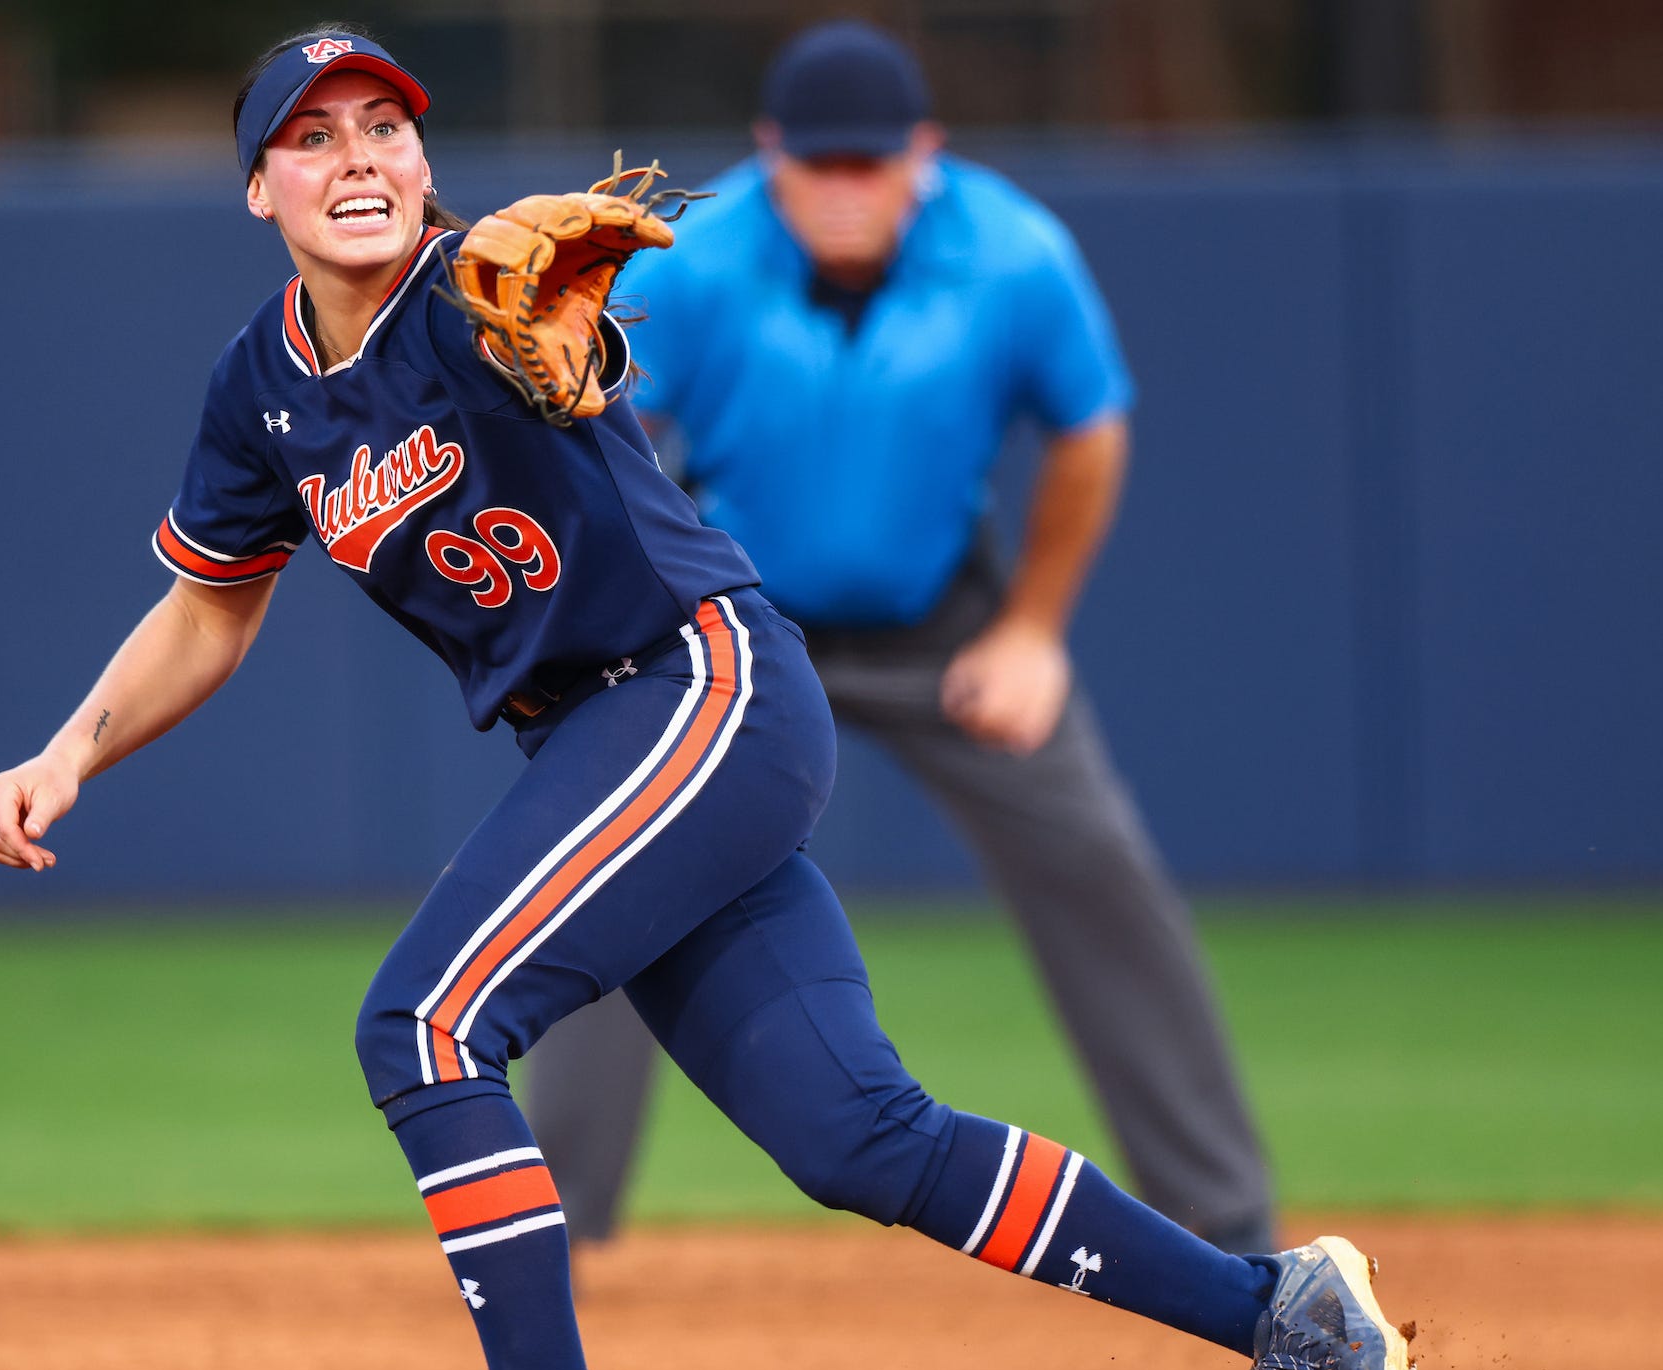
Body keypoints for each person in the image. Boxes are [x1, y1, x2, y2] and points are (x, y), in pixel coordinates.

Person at [0, 25, 1414, 1370]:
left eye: (385, 126)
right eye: (313, 138)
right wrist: (69, 752)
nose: (359, 159)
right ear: (259, 188)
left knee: (427, 1027)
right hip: (611, 736)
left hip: (691, 688)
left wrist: (579, 351)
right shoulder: (259, 389)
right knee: (859, 1138)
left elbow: (573, 352)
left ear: (424, 159)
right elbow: (210, 606)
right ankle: (1280, 1310)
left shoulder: (477, 293)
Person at [525, 19, 1279, 1258]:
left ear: (924, 154)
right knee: (616, 855)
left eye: (868, 162)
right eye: (816, 161)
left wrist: (1035, 630)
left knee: (1099, 864)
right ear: (769, 151)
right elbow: (605, 442)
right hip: (740, 624)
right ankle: (545, 1221)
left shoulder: (1014, 253)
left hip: (949, 623)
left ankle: (1224, 1217)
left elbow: (1090, 430)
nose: (843, 186)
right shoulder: (694, 258)